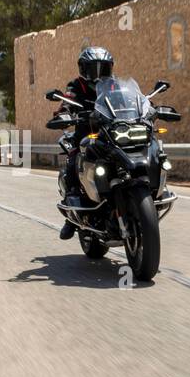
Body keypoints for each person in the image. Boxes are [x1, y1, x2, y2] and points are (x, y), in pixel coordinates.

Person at [56, 46, 113, 239]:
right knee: (74, 161)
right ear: (83, 69)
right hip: (85, 134)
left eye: (102, 68)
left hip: (111, 133)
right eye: (93, 68)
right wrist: (64, 111)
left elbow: (126, 100)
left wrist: (145, 107)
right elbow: (67, 100)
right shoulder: (75, 86)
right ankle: (71, 217)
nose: (98, 73)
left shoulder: (113, 85)